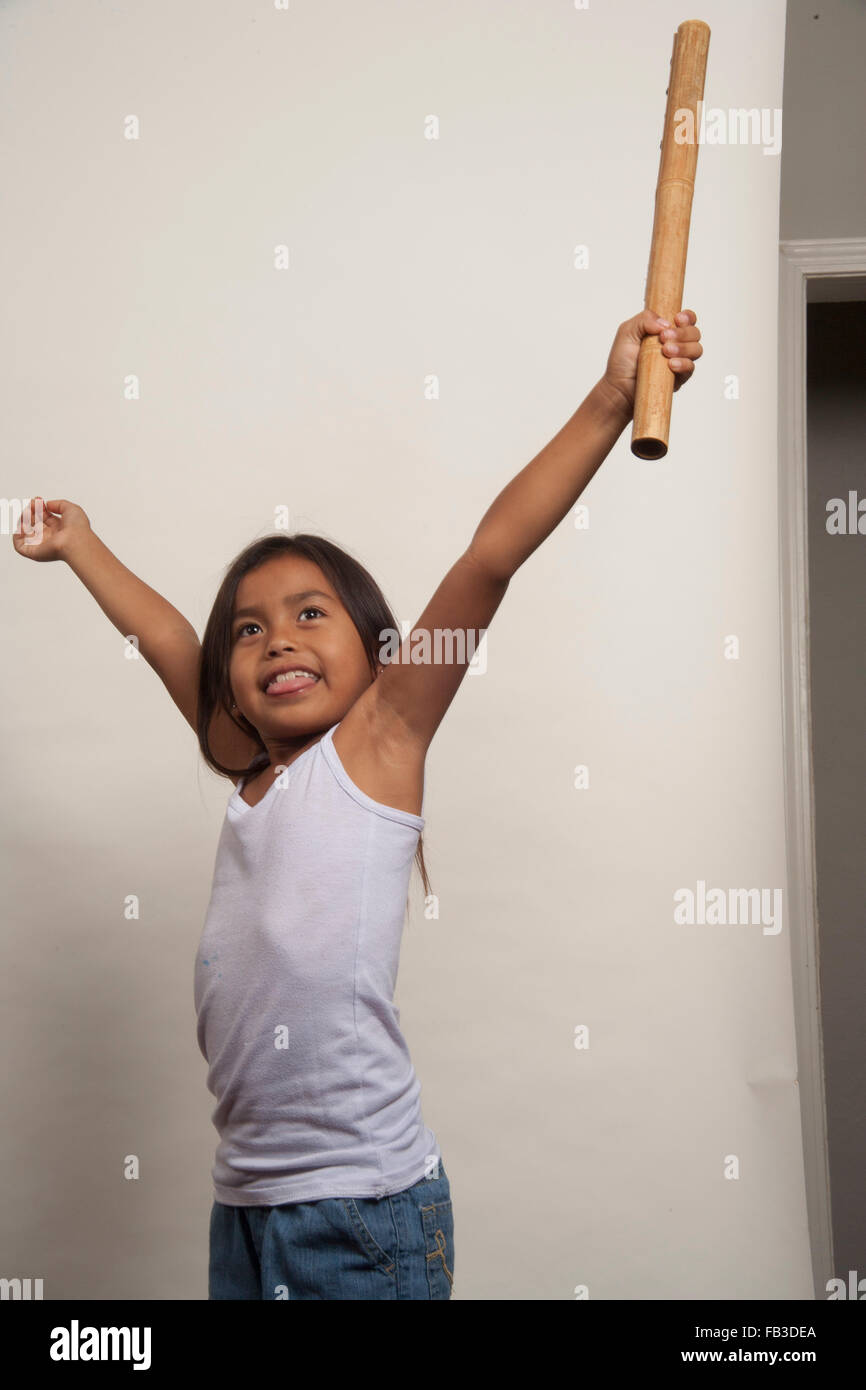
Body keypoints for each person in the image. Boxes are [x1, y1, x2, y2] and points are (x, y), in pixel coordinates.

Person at [12, 308, 703, 1299]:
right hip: (245, 1203)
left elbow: (487, 558)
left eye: (308, 615)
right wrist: (81, 542)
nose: (276, 640)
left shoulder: (379, 745)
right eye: (248, 630)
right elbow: (168, 635)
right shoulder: (246, 763)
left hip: (355, 1211)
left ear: (379, 652)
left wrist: (607, 398)